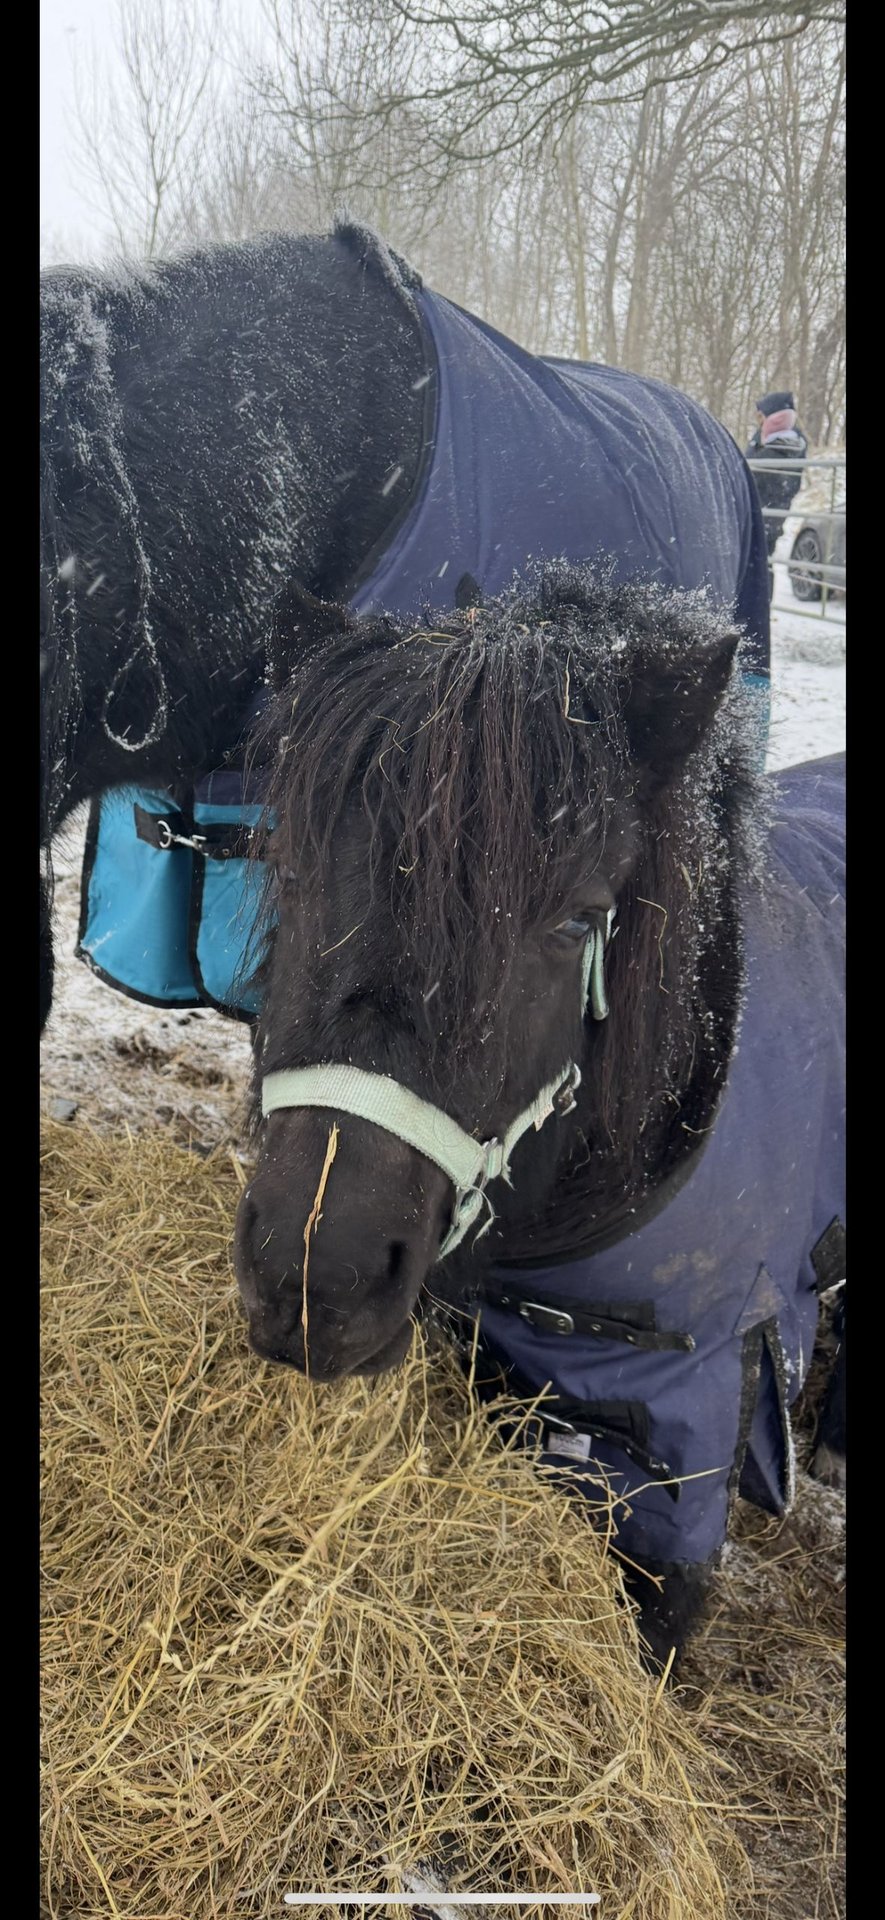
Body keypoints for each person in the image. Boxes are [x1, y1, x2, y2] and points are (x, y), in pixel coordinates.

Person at [745, 390, 808, 601]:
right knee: (762, 562)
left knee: (757, 563)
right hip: (770, 514)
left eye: (761, 416)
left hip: (762, 515)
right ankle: (759, 609)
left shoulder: (776, 449)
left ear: (774, 418)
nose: (759, 422)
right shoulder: (788, 443)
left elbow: (749, 473)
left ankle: (756, 611)